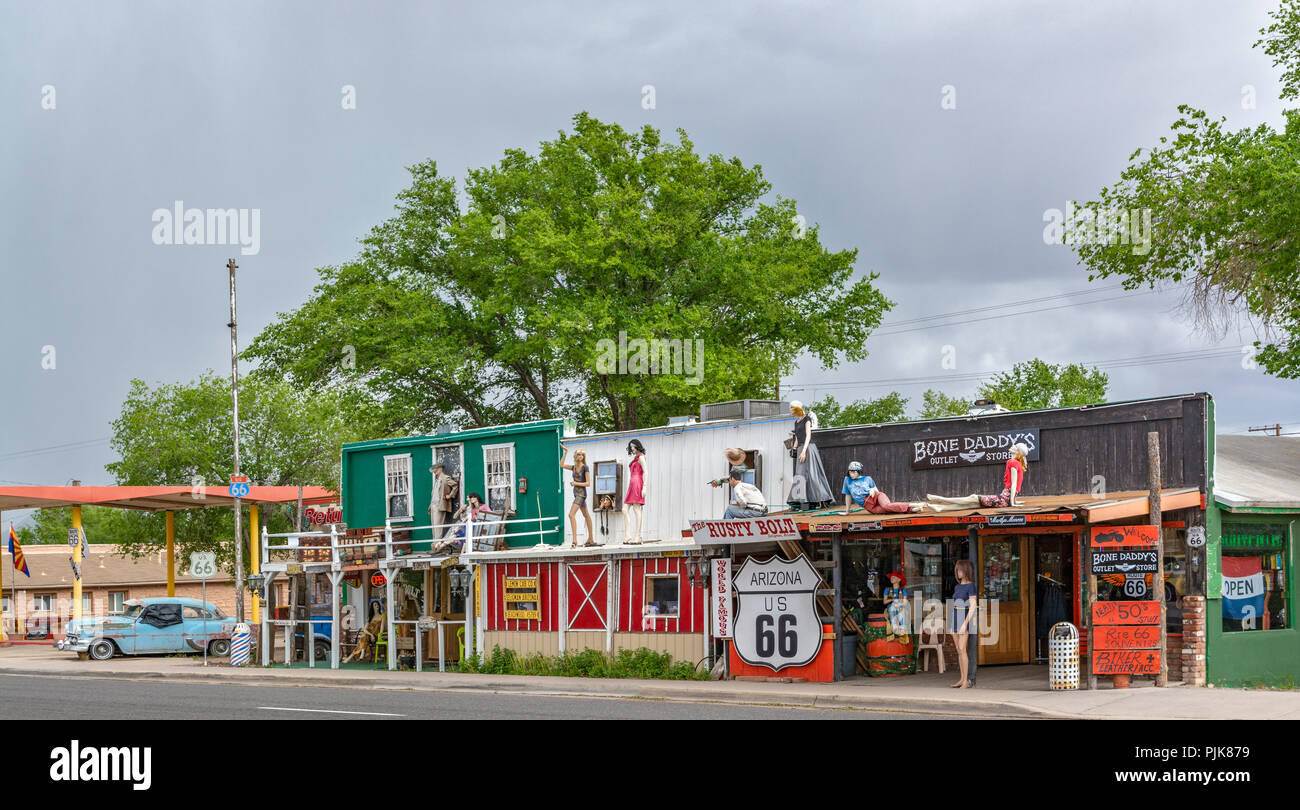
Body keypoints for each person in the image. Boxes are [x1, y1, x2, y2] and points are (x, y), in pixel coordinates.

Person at [926, 442, 1030, 512]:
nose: (1012, 446)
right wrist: (1014, 500)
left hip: (1003, 499)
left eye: (1015, 446)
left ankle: (939, 498)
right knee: (971, 505)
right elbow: (1016, 486)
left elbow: (1014, 483)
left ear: (1017, 452)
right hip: (1004, 500)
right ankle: (940, 508)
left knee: (973, 498)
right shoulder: (1017, 463)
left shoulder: (1012, 462)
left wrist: (1012, 503)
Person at [790, 401, 834, 509]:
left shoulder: (807, 419)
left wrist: (804, 451)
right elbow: (797, 437)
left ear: (797, 408)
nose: (790, 409)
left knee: (812, 475)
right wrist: (794, 448)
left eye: (792, 407)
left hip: (808, 448)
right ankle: (800, 501)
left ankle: (823, 499)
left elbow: (808, 436)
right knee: (800, 475)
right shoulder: (796, 422)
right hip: (801, 448)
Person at [841, 461, 921, 514]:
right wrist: (847, 511)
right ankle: (912, 510)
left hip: (876, 497)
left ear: (859, 472)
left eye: (854, 472)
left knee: (886, 506)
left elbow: (876, 490)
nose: (852, 474)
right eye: (850, 472)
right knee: (887, 510)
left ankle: (913, 504)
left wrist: (872, 489)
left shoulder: (867, 478)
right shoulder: (847, 480)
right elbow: (848, 495)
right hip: (868, 506)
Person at [951, 559, 978, 688]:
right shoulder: (957, 586)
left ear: (966, 570)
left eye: (960, 570)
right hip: (955, 616)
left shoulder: (971, 586)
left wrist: (964, 624)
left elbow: (973, 606)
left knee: (963, 649)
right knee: (958, 650)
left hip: (964, 619)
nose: (958, 572)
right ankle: (962, 679)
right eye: (957, 570)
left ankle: (966, 681)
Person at [561, 445, 595, 547]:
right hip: (576, 494)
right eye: (579, 454)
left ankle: (574, 540)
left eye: (582, 454)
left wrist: (575, 483)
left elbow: (588, 483)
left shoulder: (585, 467)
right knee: (586, 515)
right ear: (576, 456)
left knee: (571, 515)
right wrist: (566, 452)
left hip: (581, 494)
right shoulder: (574, 467)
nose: (580, 456)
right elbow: (561, 465)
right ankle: (591, 538)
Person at [623, 439, 646, 544]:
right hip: (632, 483)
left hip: (637, 483)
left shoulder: (641, 457)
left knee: (637, 509)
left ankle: (637, 536)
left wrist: (644, 486)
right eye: (631, 447)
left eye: (633, 447)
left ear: (638, 446)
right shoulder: (636, 458)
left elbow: (646, 472)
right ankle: (628, 535)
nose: (632, 449)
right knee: (625, 509)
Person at [882, 570, 911, 642]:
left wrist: (899, 603)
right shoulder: (887, 590)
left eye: (894, 577)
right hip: (892, 607)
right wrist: (892, 600)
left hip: (900, 607)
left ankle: (902, 628)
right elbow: (884, 602)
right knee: (892, 607)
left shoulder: (903, 590)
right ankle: (895, 627)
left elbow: (905, 602)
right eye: (891, 577)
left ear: (899, 579)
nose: (892, 578)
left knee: (902, 610)